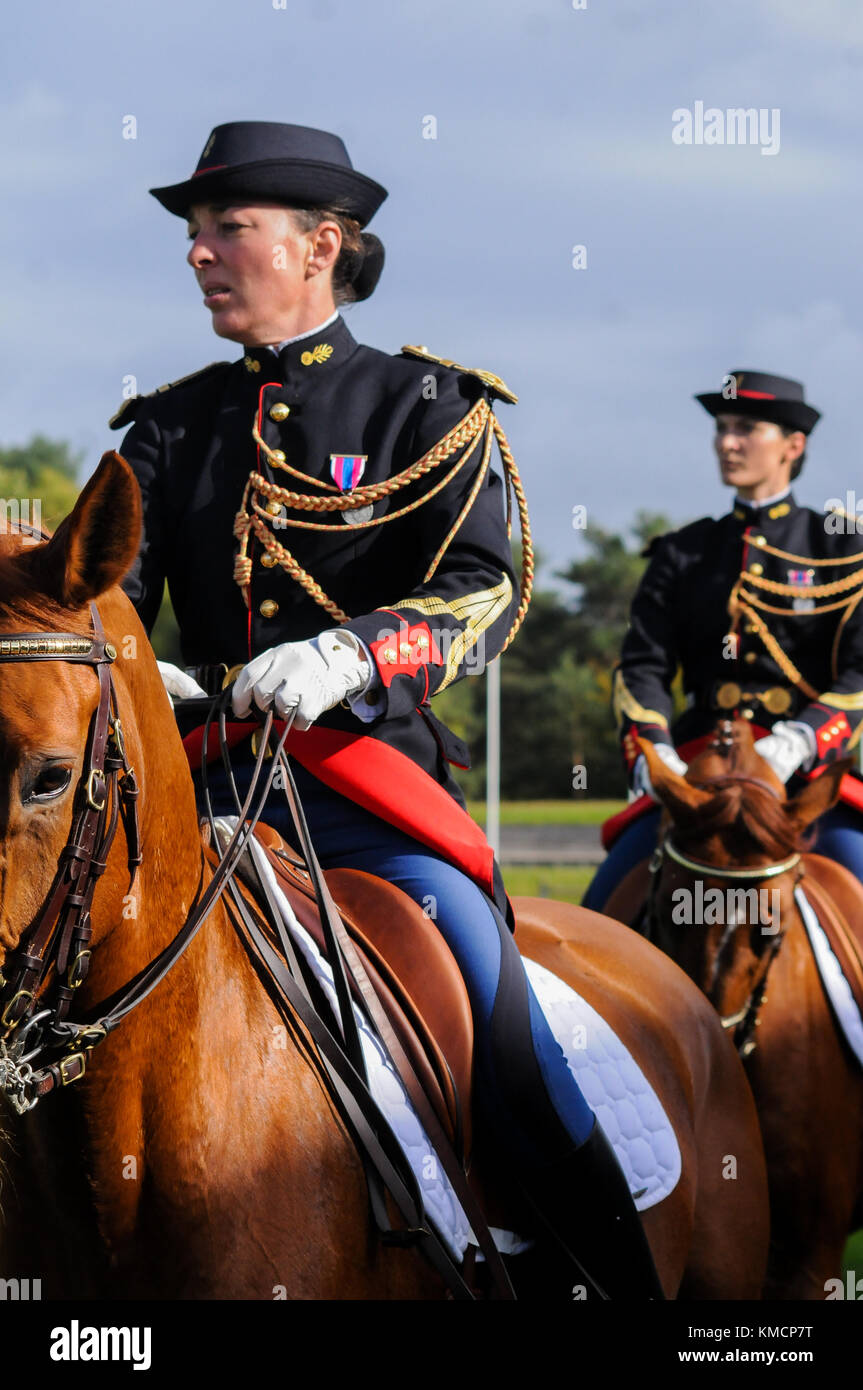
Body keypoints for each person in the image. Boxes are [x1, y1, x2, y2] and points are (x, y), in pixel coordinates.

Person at [111, 121, 662, 1297]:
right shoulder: (169, 426)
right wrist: (126, 672)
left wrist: (347, 657)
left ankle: (597, 1284)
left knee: (505, 1055)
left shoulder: (427, 406)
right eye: (196, 235)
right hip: (199, 797)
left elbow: (484, 591)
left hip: (365, 799)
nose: (200, 253)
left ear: (320, 245)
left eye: (227, 230)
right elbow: (109, 601)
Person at [584, 369, 863, 913]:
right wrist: (653, 752)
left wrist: (797, 744)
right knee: (602, 908)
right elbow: (642, 666)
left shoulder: (841, 548)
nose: (726, 443)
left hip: (806, 780)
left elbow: (861, 670)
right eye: (722, 428)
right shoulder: (683, 553)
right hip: (699, 769)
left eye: (746, 428)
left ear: (793, 444)